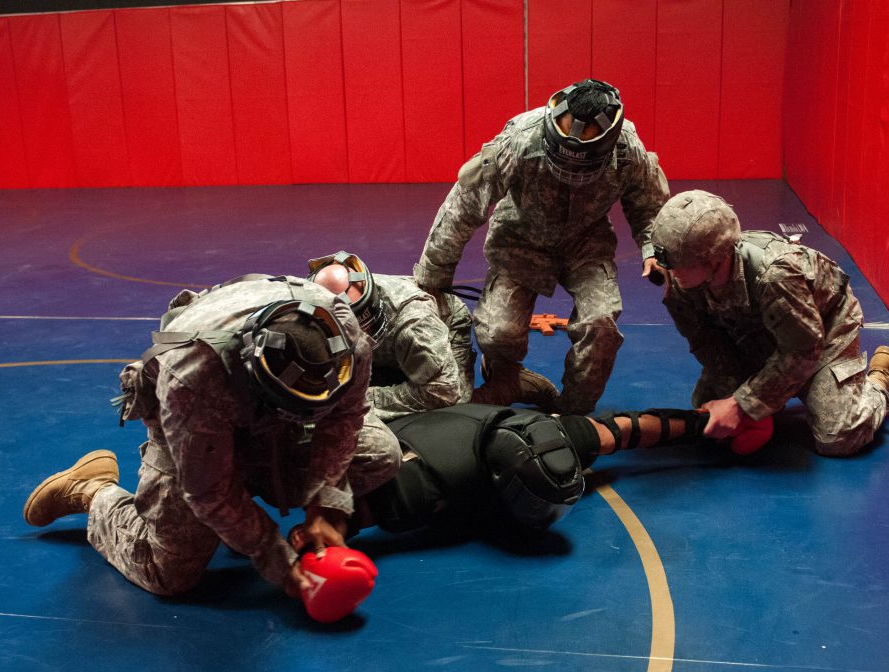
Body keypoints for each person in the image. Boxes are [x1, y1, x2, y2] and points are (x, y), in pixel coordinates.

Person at [23, 275, 402, 598]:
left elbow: (344, 418)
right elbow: (210, 494)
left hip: (265, 414)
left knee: (379, 453)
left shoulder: (344, 338)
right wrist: (276, 559)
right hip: (196, 423)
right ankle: (93, 491)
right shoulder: (194, 377)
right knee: (169, 573)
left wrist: (325, 502)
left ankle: (247, 496)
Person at [413, 79, 670, 415]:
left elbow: (648, 203)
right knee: (497, 333)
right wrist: (433, 276)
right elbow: (464, 205)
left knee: (600, 324)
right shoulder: (520, 139)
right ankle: (507, 378)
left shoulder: (627, 148)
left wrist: (654, 249)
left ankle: (575, 410)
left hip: (586, 243)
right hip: (520, 239)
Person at [651, 190, 889, 457]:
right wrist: (742, 399)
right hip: (760, 332)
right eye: (668, 261)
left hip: (823, 331)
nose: (671, 271)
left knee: (838, 437)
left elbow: (803, 350)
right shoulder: (682, 284)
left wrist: (741, 404)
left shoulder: (776, 275)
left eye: (682, 263)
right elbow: (707, 344)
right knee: (708, 416)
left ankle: (878, 382)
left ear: (715, 257)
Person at [353, 403, 733, 535]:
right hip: (379, 422)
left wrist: (705, 423)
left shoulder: (554, 440)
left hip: (478, 425)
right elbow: (344, 514)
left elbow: (626, 429)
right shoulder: (425, 483)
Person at [308, 251, 559, 419]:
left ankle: (509, 384)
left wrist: (362, 400)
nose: (358, 328)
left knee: (455, 408)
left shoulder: (414, 324)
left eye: (362, 320)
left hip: (442, 327)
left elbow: (442, 391)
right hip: (392, 346)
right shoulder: (310, 304)